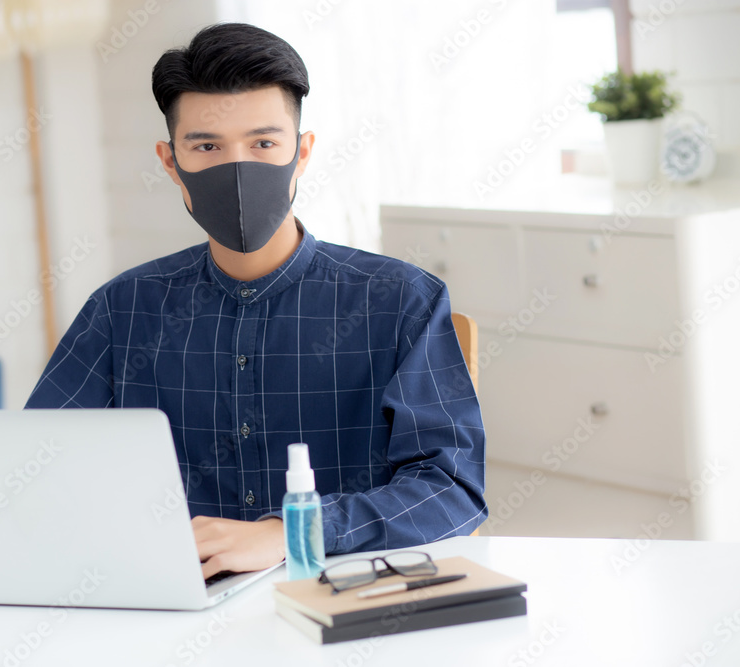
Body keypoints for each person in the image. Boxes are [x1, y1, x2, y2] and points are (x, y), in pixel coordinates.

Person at [25, 22, 487, 579]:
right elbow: (39, 470)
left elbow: (451, 489)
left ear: (303, 151)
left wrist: (292, 533)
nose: (237, 168)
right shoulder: (122, 308)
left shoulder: (400, 300)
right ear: (171, 161)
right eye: (207, 146)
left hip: (339, 597)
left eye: (264, 143)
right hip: (171, 600)